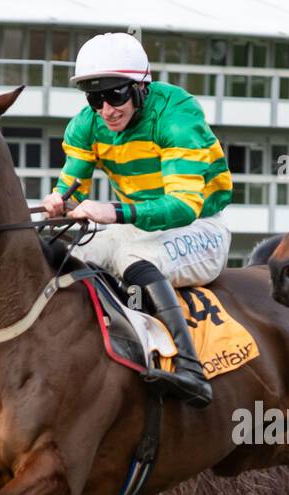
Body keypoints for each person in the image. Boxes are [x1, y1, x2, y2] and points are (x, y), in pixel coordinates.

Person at [42, 32, 233, 407]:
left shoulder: (176, 114)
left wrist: (112, 211)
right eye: (96, 98)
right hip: (137, 227)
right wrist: (57, 201)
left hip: (200, 226)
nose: (107, 110)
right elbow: (71, 190)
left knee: (135, 259)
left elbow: (182, 206)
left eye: (116, 95)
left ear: (141, 88)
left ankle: (191, 369)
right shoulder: (88, 124)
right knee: (66, 253)